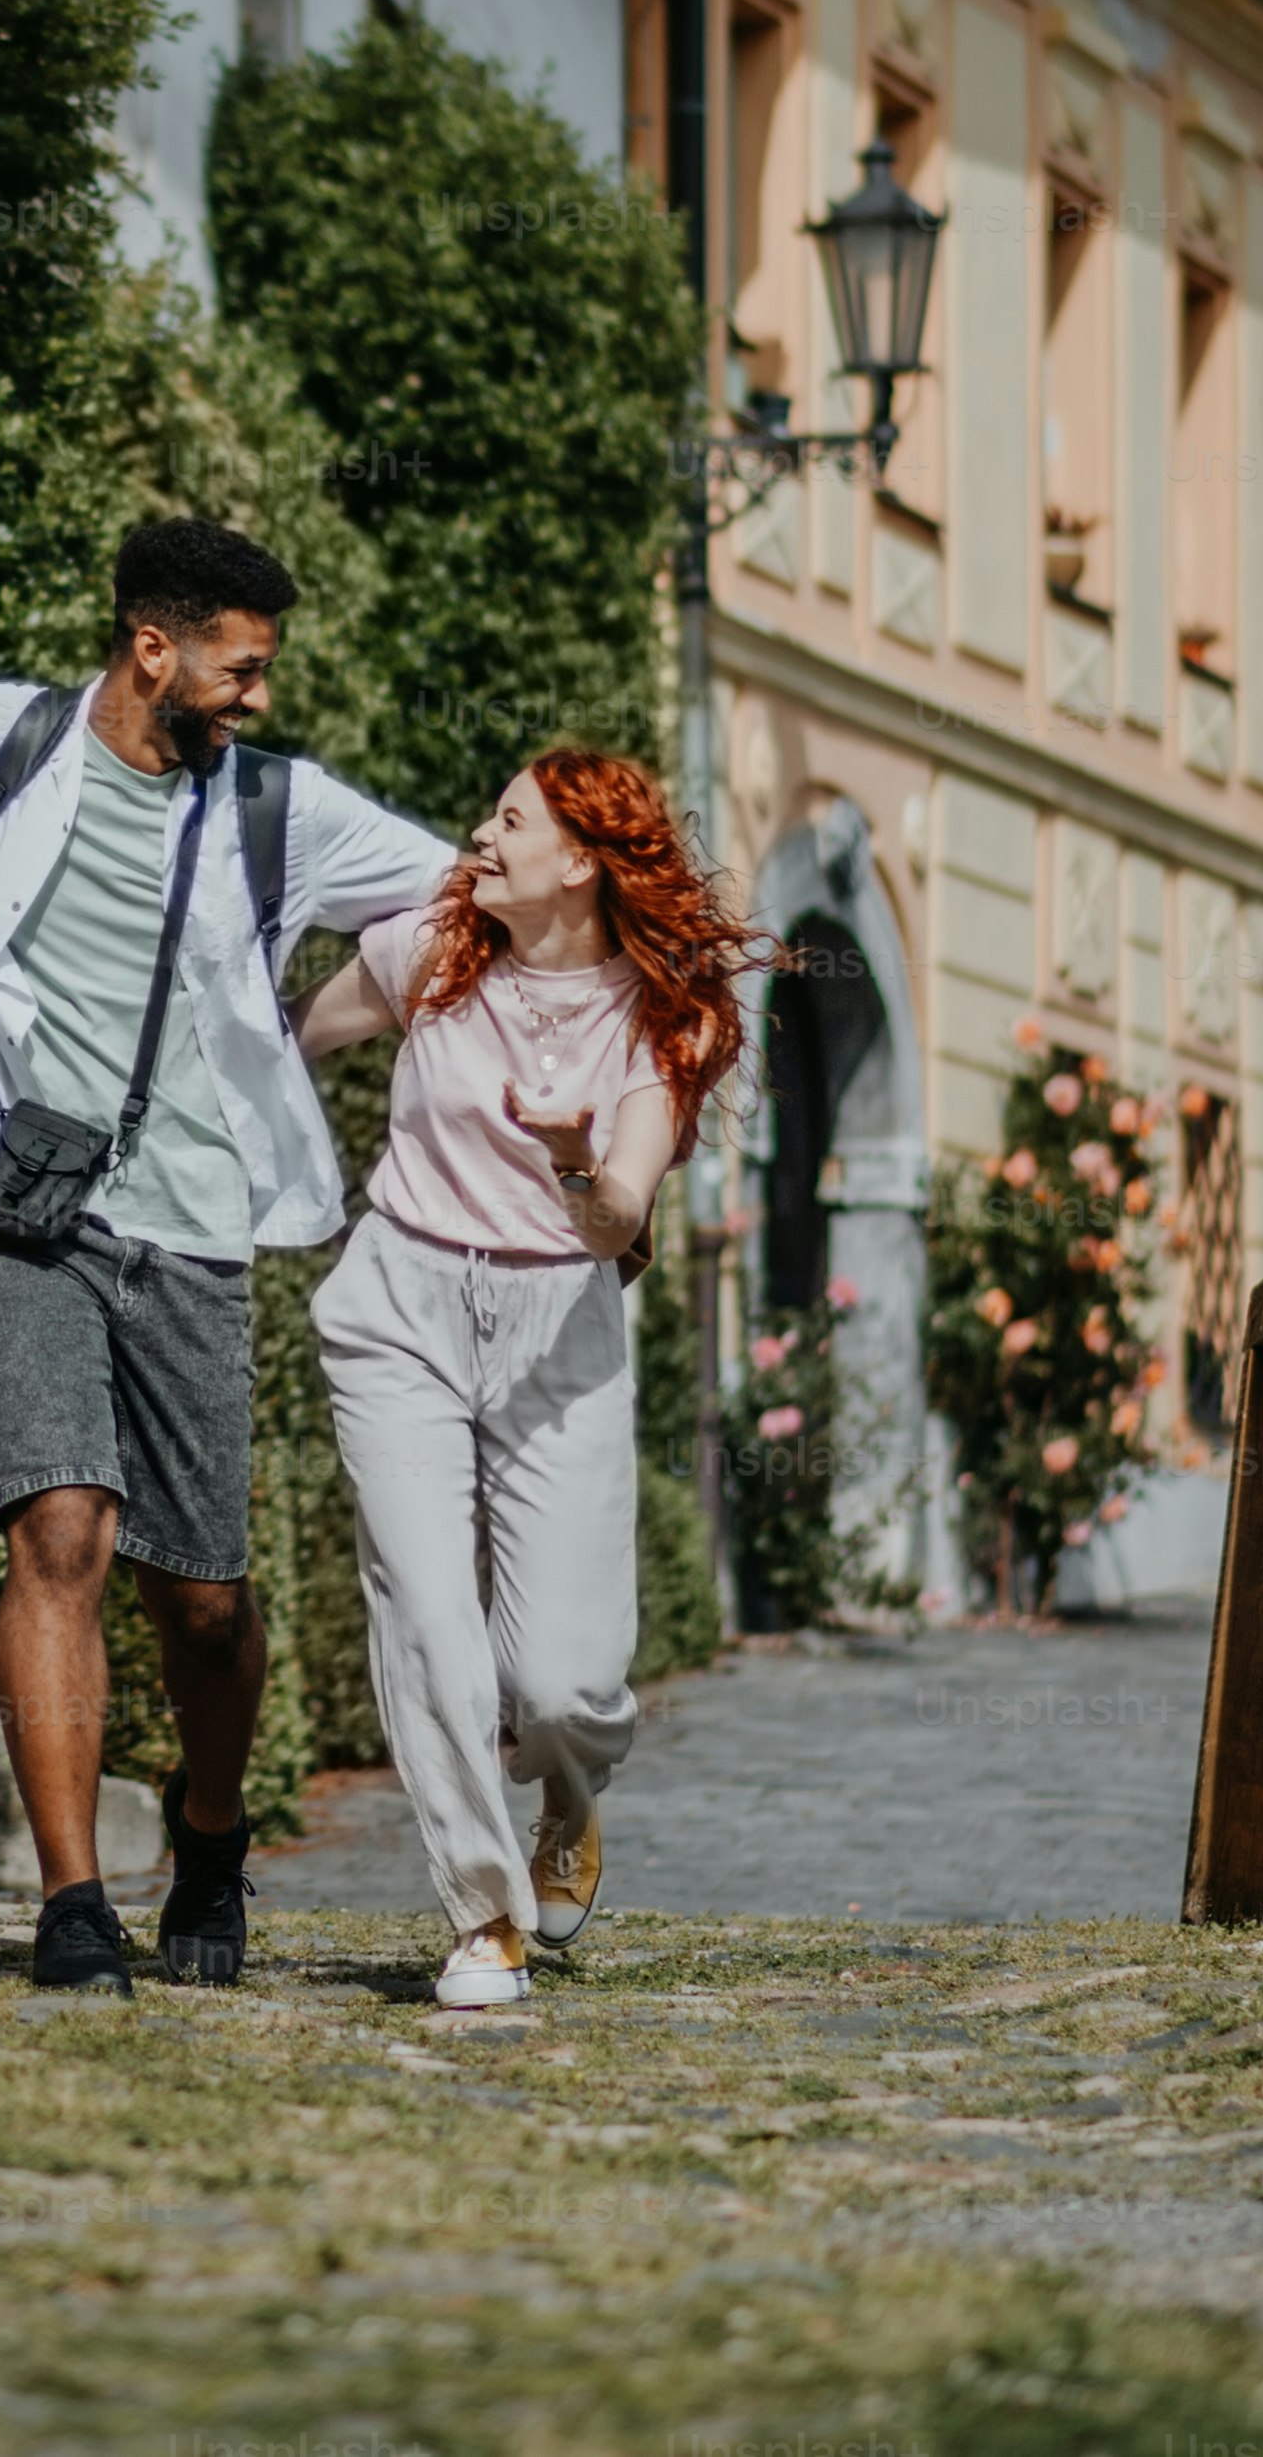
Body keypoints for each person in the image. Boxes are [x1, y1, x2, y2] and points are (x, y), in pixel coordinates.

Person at [0, 518, 456, 1996]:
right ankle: (72, 1902)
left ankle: (208, 1826)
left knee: (200, 1595)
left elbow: (471, 897)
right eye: (239, 668)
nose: (257, 694)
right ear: (151, 649)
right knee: (58, 1527)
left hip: (194, 1223)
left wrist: (326, 1020)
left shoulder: (279, 809)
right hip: (17, 1202)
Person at [291, 748, 746, 2011]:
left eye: (510, 820)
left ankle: (572, 1791)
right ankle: (483, 1912)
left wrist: (572, 1164)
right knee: (426, 1616)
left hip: (559, 1319)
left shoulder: (656, 1018)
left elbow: (617, 1219)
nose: (480, 838)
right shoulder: (431, 951)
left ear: (581, 859)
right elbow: (280, 1040)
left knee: (562, 1681)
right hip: (399, 1303)